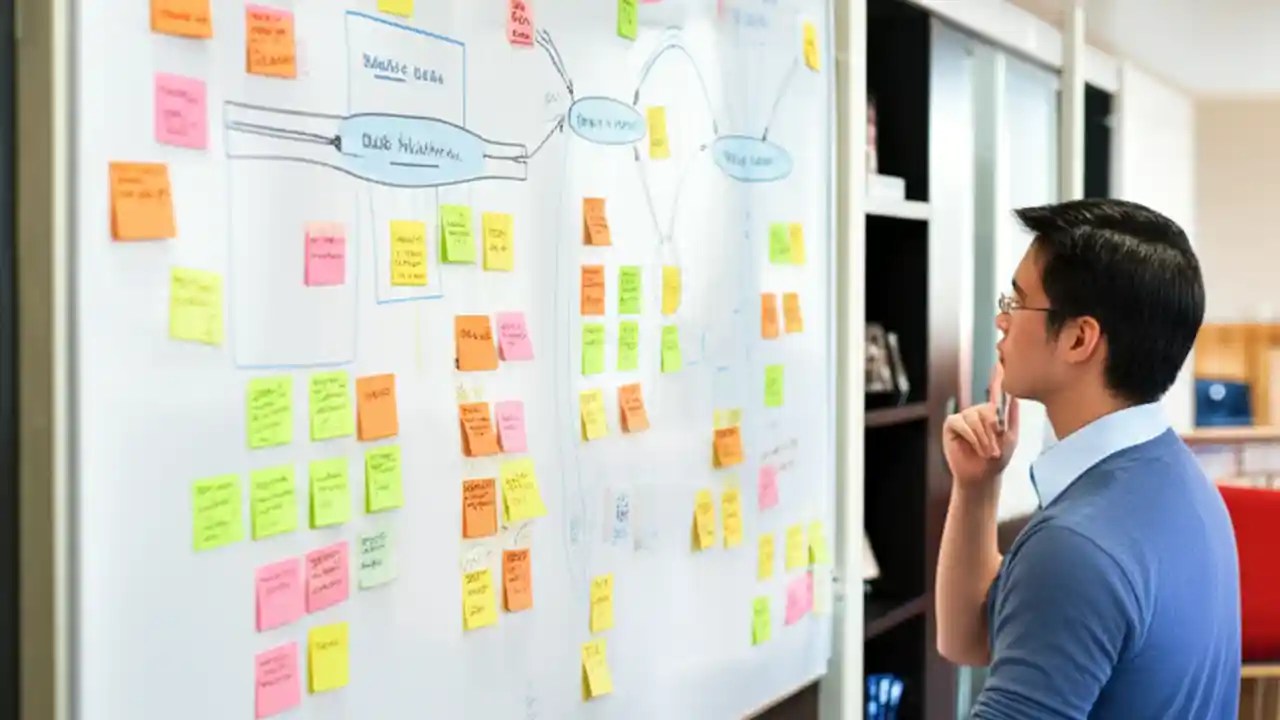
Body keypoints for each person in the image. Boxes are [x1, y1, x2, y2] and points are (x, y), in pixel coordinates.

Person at [936, 199, 1241, 719]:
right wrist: (976, 488)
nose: (1001, 319)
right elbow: (971, 639)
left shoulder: (1075, 544)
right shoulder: (1178, 479)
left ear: (1079, 338)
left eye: (1018, 300)